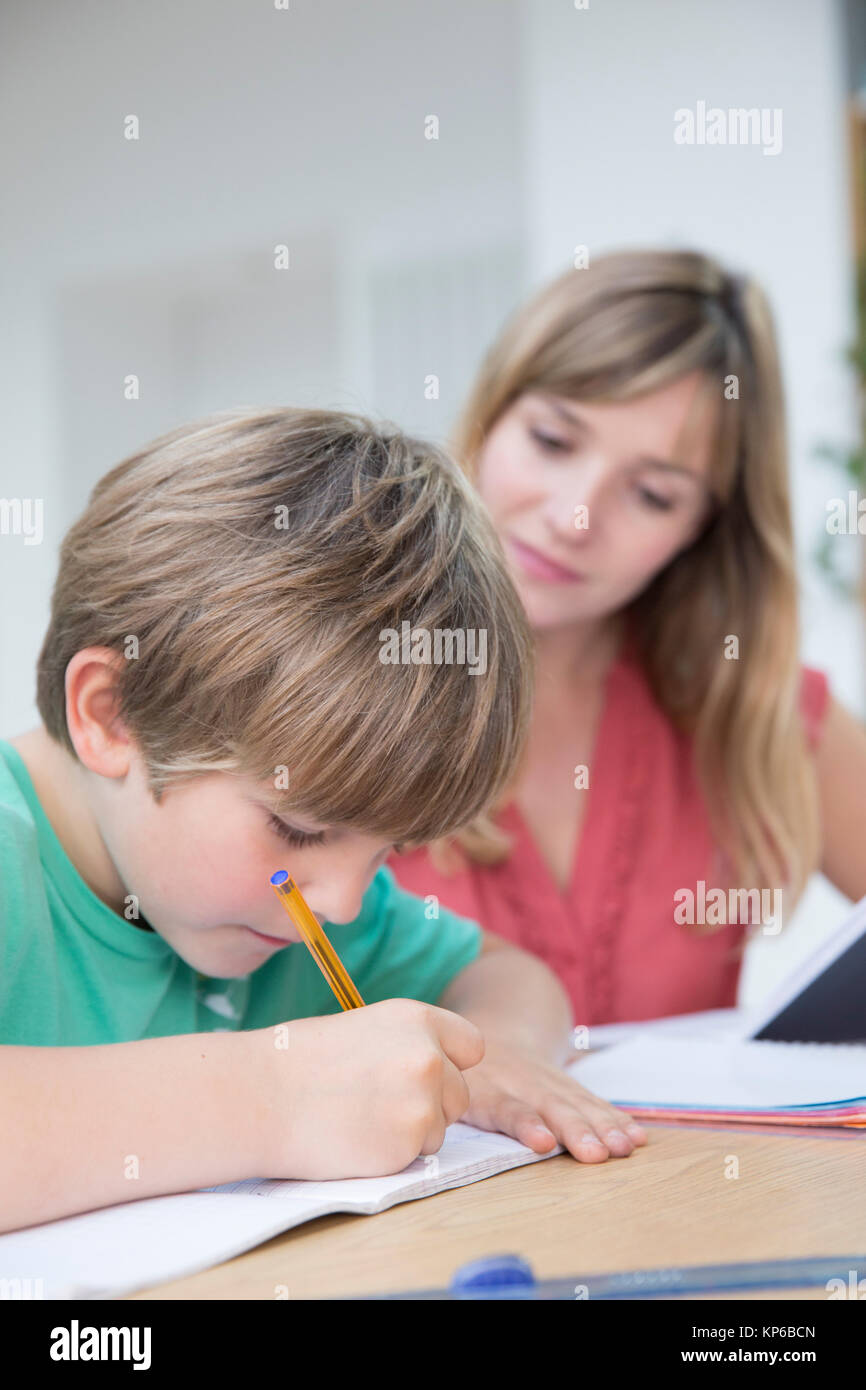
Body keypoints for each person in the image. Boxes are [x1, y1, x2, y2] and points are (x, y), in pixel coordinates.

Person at [0, 407, 649, 1235]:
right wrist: (271, 1097)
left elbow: (508, 974)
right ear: (113, 716)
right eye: (299, 830)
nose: (341, 906)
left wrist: (490, 1054)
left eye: (389, 850)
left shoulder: (296, 909)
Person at [390, 249, 866, 1026]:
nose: (575, 516)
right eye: (552, 440)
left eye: (651, 493)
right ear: (489, 418)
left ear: (702, 528)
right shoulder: (334, 677)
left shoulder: (758, 711)